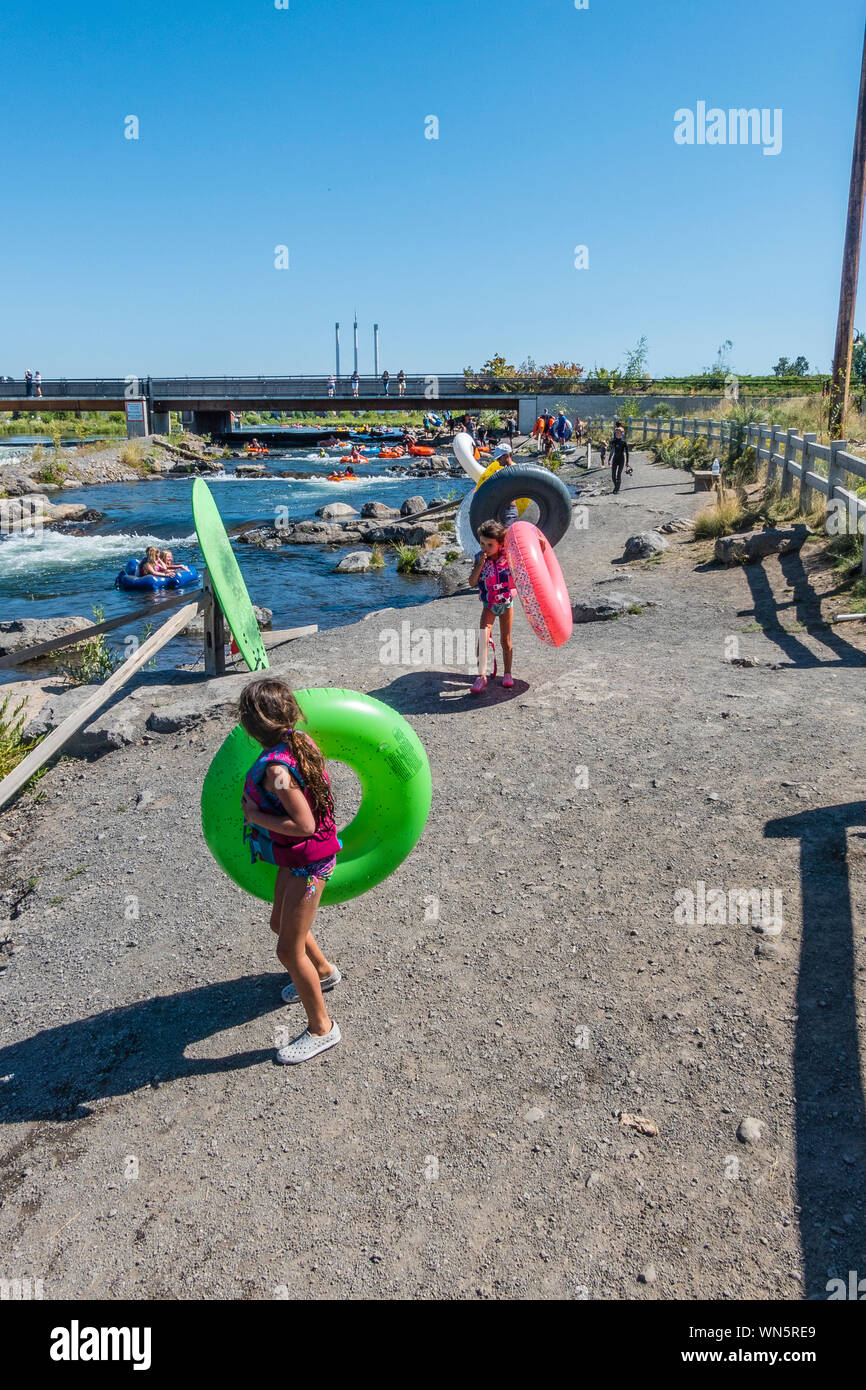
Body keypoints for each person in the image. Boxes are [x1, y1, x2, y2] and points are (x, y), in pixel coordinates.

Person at [239, 679, 342, 1065]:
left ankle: (322, 1029)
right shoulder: (301, 741)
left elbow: (304, 825)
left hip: (310, 859)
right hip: (296, 857)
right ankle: (325, 973)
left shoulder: (277, 769)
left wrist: (255, 815)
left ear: (250, 727)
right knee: (279, 923)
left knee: (287, 949)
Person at [468, 520, 515, 695]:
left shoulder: (507, 556)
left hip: (506, 603)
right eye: (482, 543)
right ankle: (481, 676)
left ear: (500, 544)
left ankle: (508, 674)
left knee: (506, 641)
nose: (485, 547)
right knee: (482, 639)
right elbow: (472, 582)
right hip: (489, 605)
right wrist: (480, 564)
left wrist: (540, 545)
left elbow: (530, 562)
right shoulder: (479, 558)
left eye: (490, 545)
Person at [609, 424, 629, 494]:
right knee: (613, 475)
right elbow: (611, 451)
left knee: (618, 475)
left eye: (618, 433)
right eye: (616, 433)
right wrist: (609, 460)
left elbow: (627, 453)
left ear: (622, 433)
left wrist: (627, 462)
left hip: (621, 460)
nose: (617, 434)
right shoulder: (613, 442)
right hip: (615, 459)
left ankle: (617, 490)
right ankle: (616, 487)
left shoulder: (624, 442)